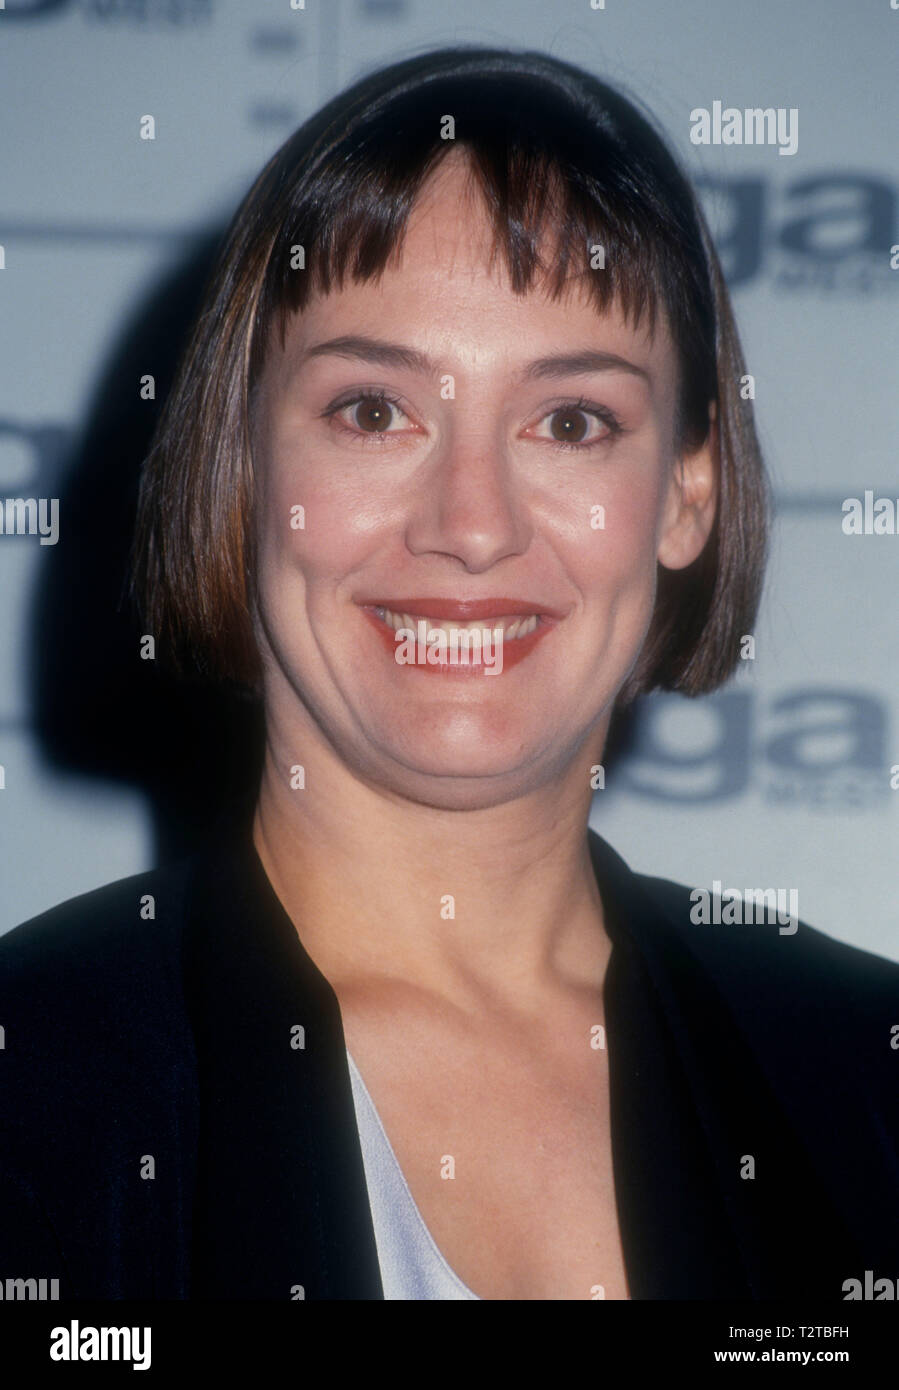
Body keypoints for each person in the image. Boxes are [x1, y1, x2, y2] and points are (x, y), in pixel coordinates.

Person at [1, 46, 897, 1303]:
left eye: (571, 420)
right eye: (375, 411)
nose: (471, 523)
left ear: (685, 493)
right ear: (242, 461)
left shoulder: (862, 1073)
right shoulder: (34, 1089)